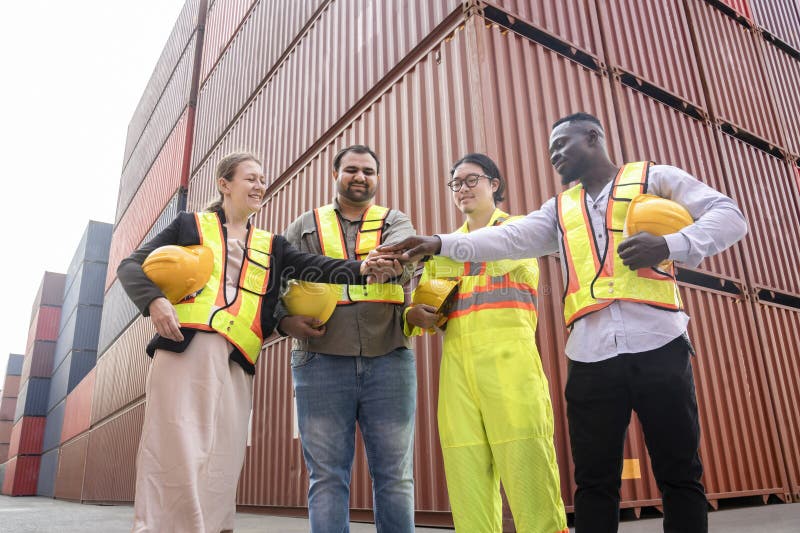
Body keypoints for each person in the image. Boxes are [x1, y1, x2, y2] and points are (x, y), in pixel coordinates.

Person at [378, 113, 748, 533]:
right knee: (593, 480)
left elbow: (730, 215)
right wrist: (439, 242)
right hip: (591, 356)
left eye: (561, 145)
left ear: (593, 137)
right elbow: (510, 238)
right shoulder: (560, 208)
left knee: (679, 471)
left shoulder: (654, 179)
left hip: (658, 342)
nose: (554, 156)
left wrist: (671, 244)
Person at [117, 151, 399, 533]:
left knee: (224, 456)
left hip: (238, 359)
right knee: (177, 446)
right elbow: (131, 265)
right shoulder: (190, 226)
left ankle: (215, 527)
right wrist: (153, 301)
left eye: (262, 179)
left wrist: (362, 269)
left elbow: (316, 267)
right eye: (250, 178)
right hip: (188, 348)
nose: (259, 185)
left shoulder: (272, 244)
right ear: (224, 184)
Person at [404, 153, 568, 533]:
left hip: (511, 368)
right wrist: (414, 316)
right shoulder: (443, 247)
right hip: (458, 372)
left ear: (494, 184)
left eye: (471, 179)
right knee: (467, 481)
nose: (462, 189)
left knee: (530, 475)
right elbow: (427, 306)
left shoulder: (522, 231)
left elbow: (496, 255)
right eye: (456, 183)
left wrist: (440, 249)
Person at [274, 144, 417, 532]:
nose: (360, 177)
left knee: (395, 476)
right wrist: (284, 322)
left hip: (389, 354)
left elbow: (406, 253)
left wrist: (393, 264)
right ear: (334, 175)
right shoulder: (305, 224)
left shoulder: (395, 220)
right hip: (320, 357)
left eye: (369, 171)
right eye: (351, 169)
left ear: (377, 178)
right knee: (327, 477)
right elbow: (274, 279)